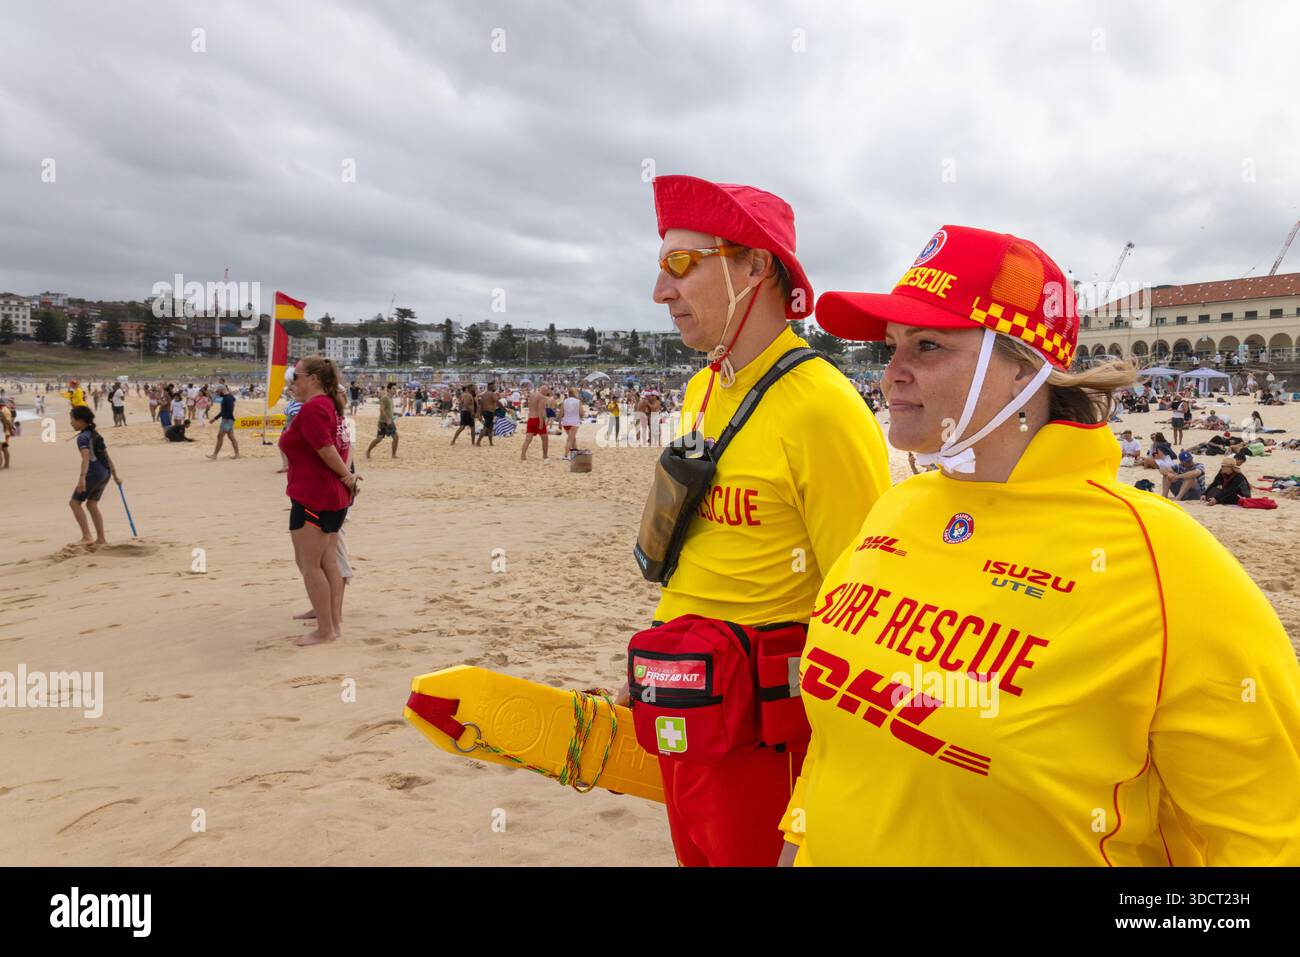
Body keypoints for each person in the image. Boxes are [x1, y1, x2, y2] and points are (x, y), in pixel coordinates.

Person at [782, 223, 1300, 865]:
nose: (891, 377)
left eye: (927, 346)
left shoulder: (1167, 565)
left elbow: (1270, 841)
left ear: (1028, 370)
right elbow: (841, 743)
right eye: (891, 348)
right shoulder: (894, 510)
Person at [625, 175, 891, 867]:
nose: (661, 291)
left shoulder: (822, 408)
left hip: (765, 737)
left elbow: (863, 605)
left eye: (682, 264)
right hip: (684, 699)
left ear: (754, 265)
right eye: (661, 267)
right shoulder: (703, 386)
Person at [279, 357, 357, 646]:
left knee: (310, 564)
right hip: (332, 496)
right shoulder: (330, 406)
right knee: (328, 563)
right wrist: (346, 478)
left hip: (316, 495)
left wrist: (346, 476)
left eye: (296, 377)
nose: (292, 382)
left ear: (312, 378)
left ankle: (326, 630)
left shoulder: (315, 407)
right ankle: (333, 625)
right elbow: (336, 447)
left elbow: (326, 450)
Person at [68, 406, 122, 548]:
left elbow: (86, 459)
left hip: (93, 474)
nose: (71, 423)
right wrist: (115, 475)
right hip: (105, 473)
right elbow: (106, 456)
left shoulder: (83, 437)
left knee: (74, 503)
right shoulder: (95, 434)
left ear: (81, 420)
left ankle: (86, 536)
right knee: (91, 504)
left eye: (72, 419)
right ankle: (101, 538)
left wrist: (82, 478)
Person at [206, 384, 241, 459]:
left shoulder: (228, 398)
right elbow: (223, 411)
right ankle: (237, 454)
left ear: (221, 390)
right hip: (228, 419)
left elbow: (229, 410)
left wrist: (226, 419)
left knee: (220, 436)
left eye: (218, 392)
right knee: (231, 437)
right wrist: (215, 418)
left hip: (227, 420)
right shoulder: (228, 397)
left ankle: (214, 455)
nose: (217, 393)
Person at [366, 382, 399, 458]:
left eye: (395, 389)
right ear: (388, 389)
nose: (395, 390)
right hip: (383, 422)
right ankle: (368, 451)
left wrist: (396, 414)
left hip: (390, 422)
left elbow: (389, 410)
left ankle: (393, 455)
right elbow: (381, 409)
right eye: (393, 389)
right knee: (379, 439)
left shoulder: (391, 398)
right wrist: (387, 419)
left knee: (396, 437)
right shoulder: (385, 398)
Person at [520, 385, 550, 461]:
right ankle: (545, 455)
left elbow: (530, 407)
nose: (547, 393)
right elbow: (540, 410)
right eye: (547, 392)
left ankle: (523, 455)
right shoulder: (542, 397)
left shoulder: (532, 395)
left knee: (528, 439)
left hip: (531, 418)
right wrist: (541, 422)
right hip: (537, 419)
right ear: (544, 391)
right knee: (545, 438)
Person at [560, 387, 582, 458]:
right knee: (570, 439)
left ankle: (575, 454)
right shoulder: (578, 401)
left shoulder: (564, 401)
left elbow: (561, 413)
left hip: (565, 422)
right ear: (575, 393)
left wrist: (559, 423)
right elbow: (581, 413)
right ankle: (566, 456)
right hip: (574, 423)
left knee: (573, 439)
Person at [475, 382, 499, 447]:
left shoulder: (484, 394)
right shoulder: (492, 394)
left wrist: (480, 413)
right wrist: (505, 409)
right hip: (490, 412)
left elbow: (481, 405)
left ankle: (491, 443)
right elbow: (497, 402)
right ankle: (478, 442)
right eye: (494, 386)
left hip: (486, 412)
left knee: (490, 428)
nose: (495, 387)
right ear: (490, 387)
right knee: (485, 428)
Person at [0, 399, 13, 469]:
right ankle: (6, 465)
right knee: (4, 448)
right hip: (5, 432)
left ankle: (2, 465)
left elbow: (6, 421)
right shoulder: (5, 409)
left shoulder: (3, 410)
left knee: (2, 449)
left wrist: (9, 430)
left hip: (3, 432)